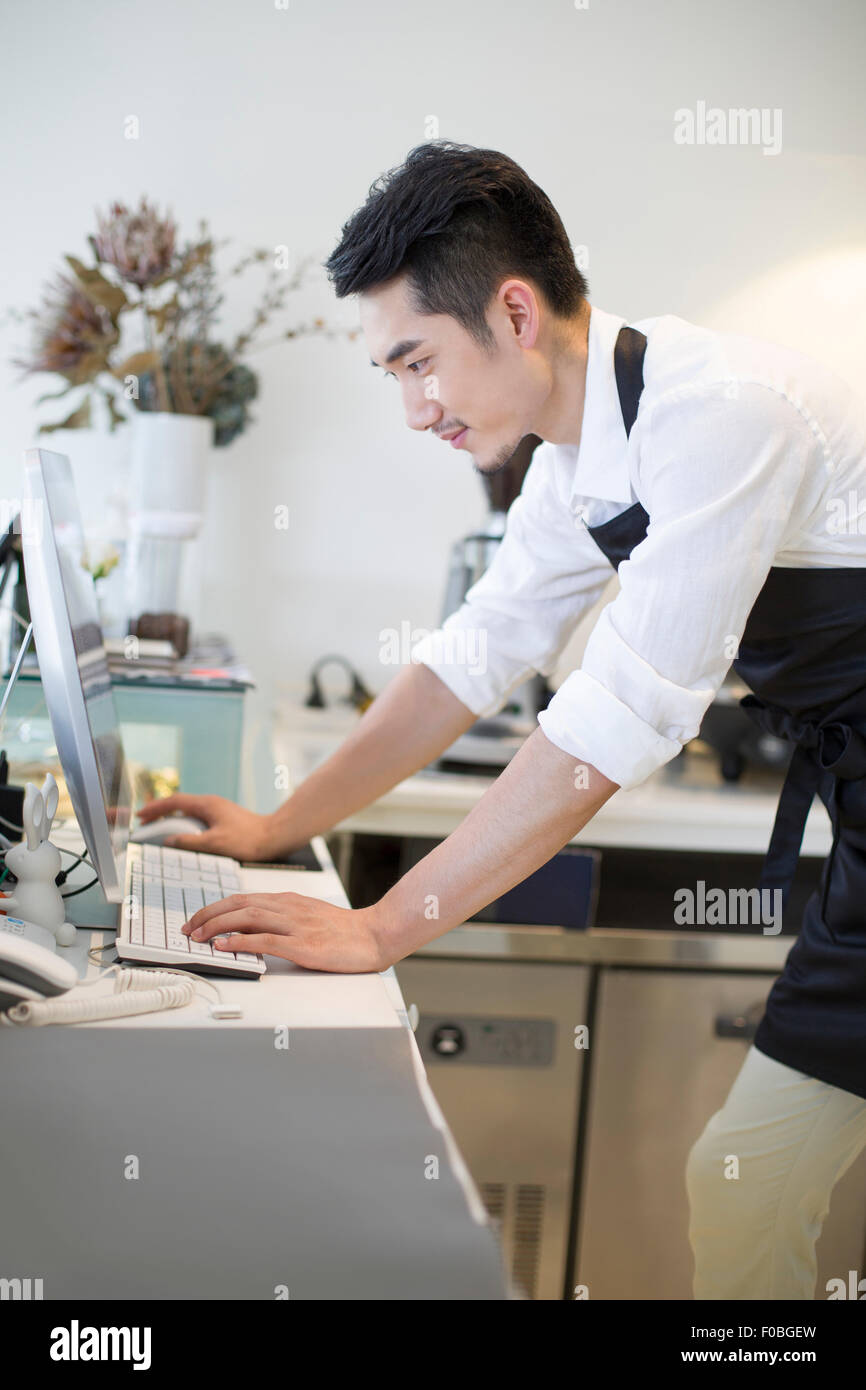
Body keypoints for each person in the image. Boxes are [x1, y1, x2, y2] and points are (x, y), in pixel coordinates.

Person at [137, 141, 866, 1299]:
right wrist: (279, 826)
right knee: (745, 1187)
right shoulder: (575, 461)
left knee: (743, 1182)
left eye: (417, 362)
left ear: (514, 313)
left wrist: (383, 926)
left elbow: (614, 719)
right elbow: (466, 662)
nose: (412, 408)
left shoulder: (720, 414)